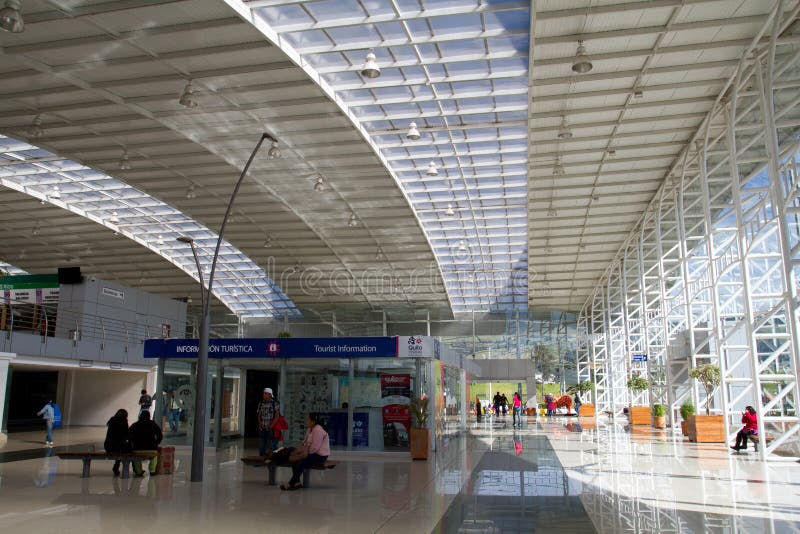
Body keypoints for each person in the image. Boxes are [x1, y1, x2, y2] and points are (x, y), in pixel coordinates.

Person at [280, 413, 330, 491]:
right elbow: (305, 442)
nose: (307, 421)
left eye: (308, 419)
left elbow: (315, 448)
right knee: (295, 459)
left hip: (320, 456)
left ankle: (291, 483)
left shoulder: (318, 430)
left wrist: (303, 454)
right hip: (310, 452)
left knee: (301, 462)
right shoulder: (310, 429)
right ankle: (297, 483)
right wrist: (299, 452)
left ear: (313, 422)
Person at [128, 410, 163, 476]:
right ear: (149, 416)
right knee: (154, 456)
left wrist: (133, 442)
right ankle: (152, 470)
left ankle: (138, 471)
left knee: (136, 458)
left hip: (137, 448)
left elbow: (128, 435)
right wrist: (156, 443)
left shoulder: (135, 424)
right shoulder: (153, 424)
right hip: (151, 449)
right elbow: (160, 435)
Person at [104, 409, 130, 476]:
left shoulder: (112, 420)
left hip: (108, 445)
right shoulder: (124, 422)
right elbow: (126, 435)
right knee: (125, 449)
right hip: (118, 446)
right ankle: (120, 466)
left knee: (120, 448)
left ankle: (116, 466)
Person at [257, 387, 281, 456]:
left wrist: (271, 426)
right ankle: (261, 460)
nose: (264, 395)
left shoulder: (275, 403)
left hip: (271, 429)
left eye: (265, 393)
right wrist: (260, 425)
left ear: (270, 394)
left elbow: (277, 416)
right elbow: (259, 415)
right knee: (262, 446)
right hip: (262, 428)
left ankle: (273, 460)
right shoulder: (261, 403)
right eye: (263, 393)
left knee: (273, 445)